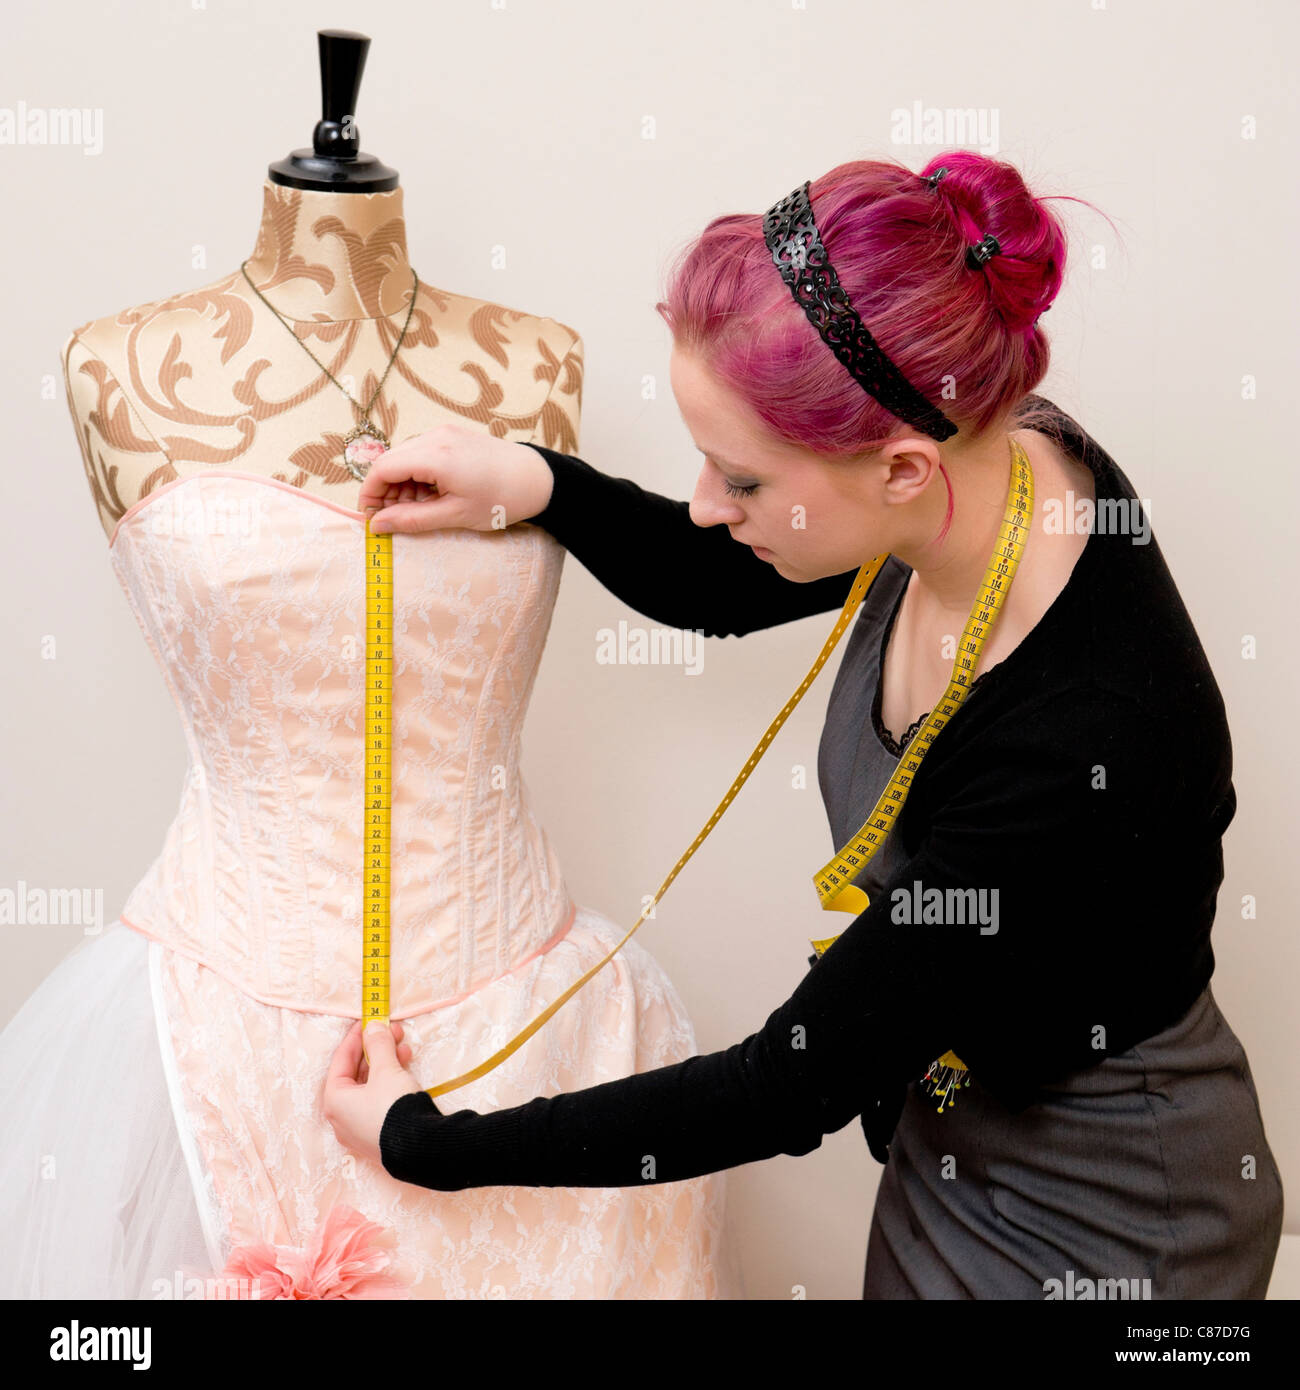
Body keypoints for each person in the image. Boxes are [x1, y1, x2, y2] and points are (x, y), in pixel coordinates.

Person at [323, 150, 1284, 1299]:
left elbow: (786, 1085)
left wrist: (426, 1143)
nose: (702, 504)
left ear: (899, 471)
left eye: (734, 477)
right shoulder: (972, 456)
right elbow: (721, 579)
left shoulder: (1091, 734)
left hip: (1111, 1223)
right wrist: (535, 483)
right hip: (946, 1131)